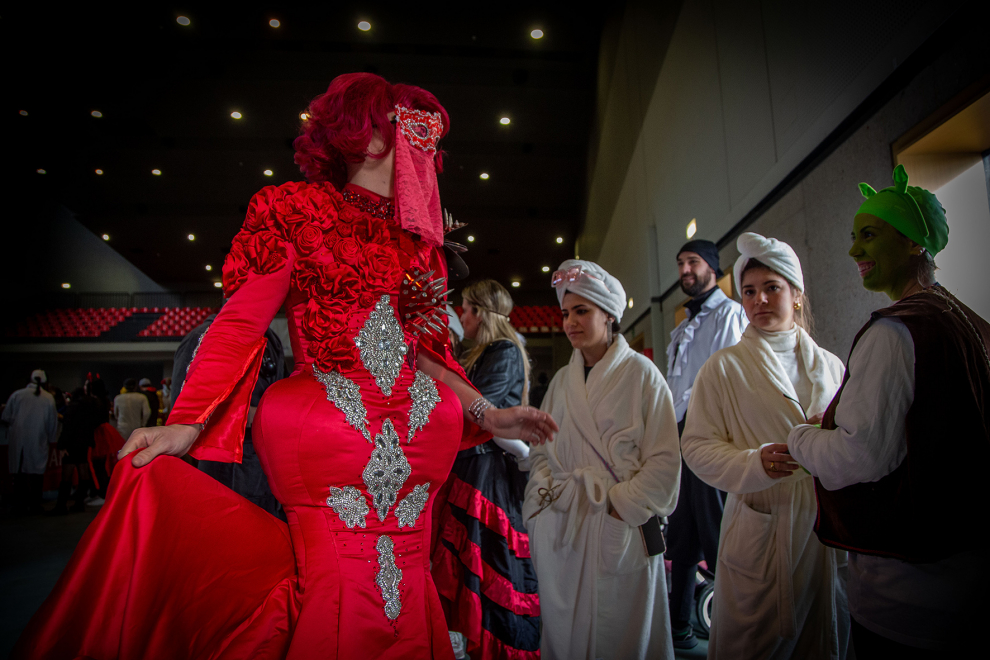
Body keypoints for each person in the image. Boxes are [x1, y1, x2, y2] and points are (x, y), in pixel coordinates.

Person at [14, 72, 556, 660]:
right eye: (415, 132)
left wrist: (491, 417)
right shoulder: (291, 209)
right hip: (331, 430)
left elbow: (430, 352)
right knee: (338, 580)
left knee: (402, 584)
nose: (427, 152)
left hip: (418, 439)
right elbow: (241, 322)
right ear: (369, 138)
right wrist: (188, 422)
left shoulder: (420, 245)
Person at [787, 165, 989, 657]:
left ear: (916, 244)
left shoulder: (893, 332)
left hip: (907, 591)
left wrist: (802, 438)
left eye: (870, 236)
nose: (854, 251)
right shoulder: (967, 320)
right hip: (967, 572)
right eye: (854, 237)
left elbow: (860, 455)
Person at [681, 232, 849, 659]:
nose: (759, 300)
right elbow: (697, 446)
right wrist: (754, 464)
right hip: (762, 519)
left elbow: (858, 440)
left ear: (795, 294)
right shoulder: (723, 368)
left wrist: (829, 439)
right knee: (756, 643)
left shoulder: (830, 366)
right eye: (749, 292)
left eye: (772, 288)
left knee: (824, 639)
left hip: (825, 524)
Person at [523, 259, 681, 660]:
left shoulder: (644, 376)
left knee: (620, 635)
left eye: (581, 311)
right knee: (565, 636)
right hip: (565, 527)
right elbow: (541, 450)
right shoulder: (560, 381)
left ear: (609, 314)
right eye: (565, 313)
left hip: (619, 527)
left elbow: (664, 463)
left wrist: (617, 507)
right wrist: (543, 497)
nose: (570, 322)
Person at [432, 279, 540, 660]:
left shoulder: (503, 350)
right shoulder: (483, 351)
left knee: (491, 569)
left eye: (465, 308)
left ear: (478, 312)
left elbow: (484, 415)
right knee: (473, 571)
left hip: (486, 474)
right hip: (472, 467)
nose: (461, 315)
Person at [664, 239, 747, 649]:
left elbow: (729, 379)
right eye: (681, 263)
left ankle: (736, 637)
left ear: (712, 267)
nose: (685, 270)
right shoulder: (682, 325)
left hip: (710, 434)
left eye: (693, 262)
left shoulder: (730, 315)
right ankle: (679, 628)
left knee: (717, 539)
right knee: (681, 537)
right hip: (679, 437)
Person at [171, 302, 290, 518]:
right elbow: (181, 409)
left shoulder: (270, 338)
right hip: (220, 467)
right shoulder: (201, 337)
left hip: (264, 467)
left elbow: (281, 391)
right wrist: (249, 413)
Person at [2, 370, 57, 515]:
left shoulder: (17, 395)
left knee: (19, 474)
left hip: (18, 439)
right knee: (36, 474)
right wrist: (52, 439)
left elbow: (6, 416)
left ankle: (19, 505)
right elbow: (52, 422)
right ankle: (35, 504)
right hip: (38, 439)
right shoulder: (48, 398)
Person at [50, 387, 101, 514]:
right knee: (84, 473)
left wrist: (62, 445)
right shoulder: (91, 407)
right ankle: (79, 504)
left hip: (72, 444)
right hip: (84, 444)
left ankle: (61, 506)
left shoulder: (73, 407)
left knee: (66, 475)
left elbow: (67, 428)